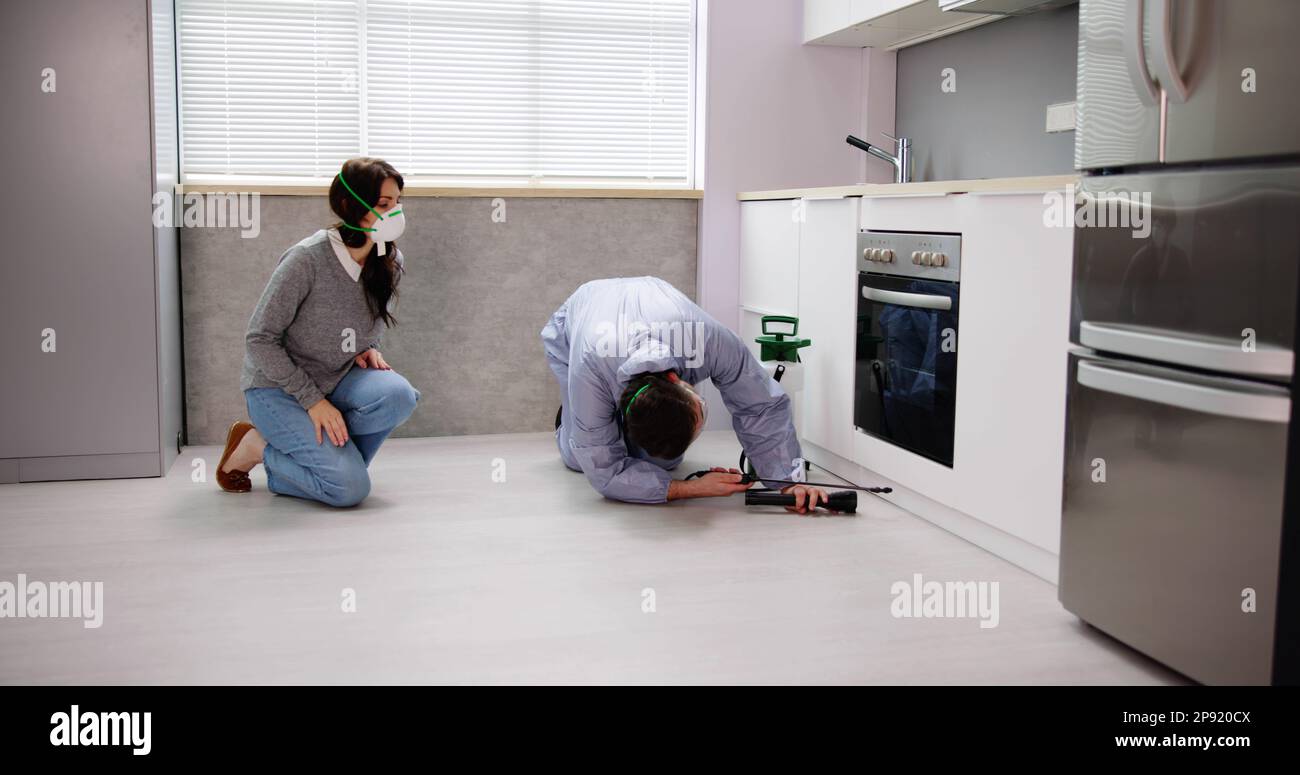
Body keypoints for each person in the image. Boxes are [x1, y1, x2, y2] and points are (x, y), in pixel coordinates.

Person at [215, 157, 420, 507]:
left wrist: (369, 345)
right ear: (349, 205)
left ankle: (328, 467)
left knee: (399, 395)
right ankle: (255, 445)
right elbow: (259, 339)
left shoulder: (390, 260)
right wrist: (313, 402)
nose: (395, 213)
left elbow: (368, 322)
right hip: (277, 390)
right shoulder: (307, 259)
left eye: (398, 203)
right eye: (385, 204)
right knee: (349, 490)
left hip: (337, 378)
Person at [541, 276, 830, 513]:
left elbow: (760, 406)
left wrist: (786, 482)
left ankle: (608, 425)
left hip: (656, 326)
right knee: (579, 458)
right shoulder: (590, 369)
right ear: (673, 379)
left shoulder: (709, 340)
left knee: (660, 462)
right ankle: (570, 422)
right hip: (579, 325)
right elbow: (605, 472)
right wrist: (689, 489)